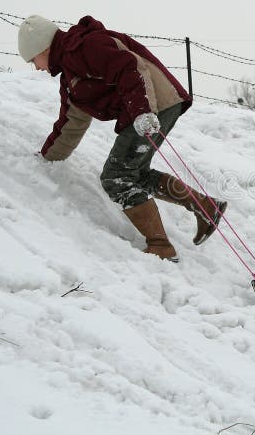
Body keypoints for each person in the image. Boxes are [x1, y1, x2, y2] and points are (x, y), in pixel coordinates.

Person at [17, 14, 227, 262]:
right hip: (150, 108)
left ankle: (160, 246)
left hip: (153, 105)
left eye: (34, 60)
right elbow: (70, 124)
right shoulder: (71, 77)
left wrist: (142, 112)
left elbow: (129, 67)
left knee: (115, 177)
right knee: (135, 174)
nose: (37, 67)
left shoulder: (85, 46)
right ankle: (205, 208)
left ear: (43, 47)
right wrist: (47, 158)